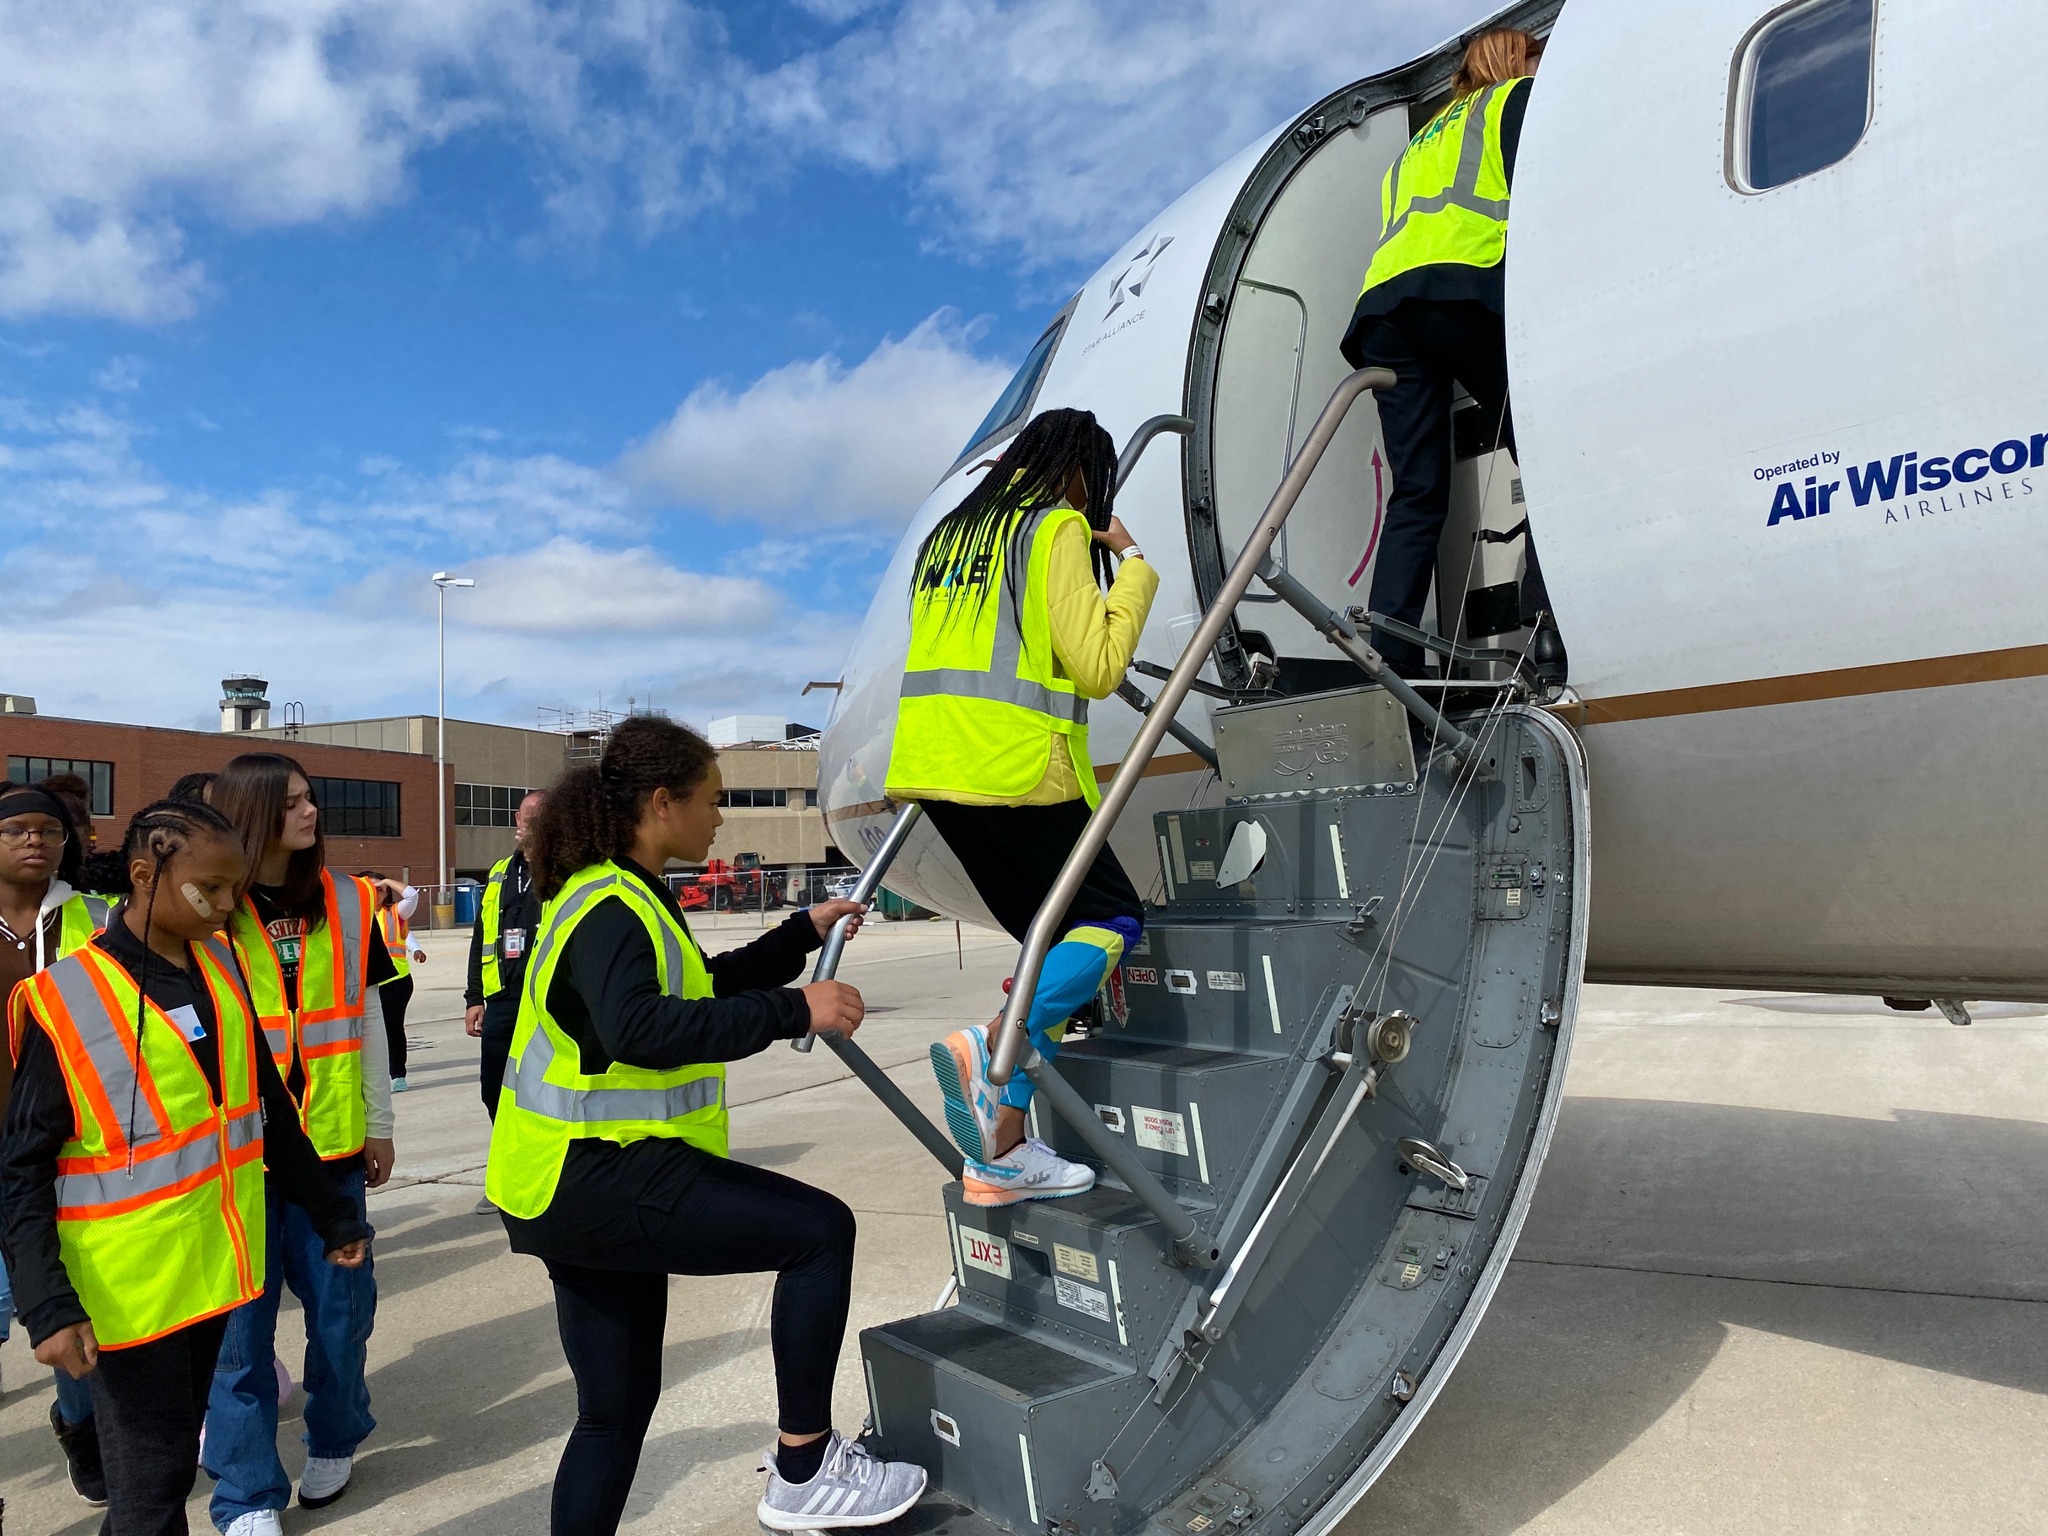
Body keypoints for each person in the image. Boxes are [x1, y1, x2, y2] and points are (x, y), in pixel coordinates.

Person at [483, 714, 925, 1534]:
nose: (720, 817)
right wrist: (797, 1010)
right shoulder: (612, 905)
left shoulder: (613, 889)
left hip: (556, 1183)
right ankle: (803, 1465)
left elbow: (699, 987)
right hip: (602, 1173)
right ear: (662, 804)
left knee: (612, 1413)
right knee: (819, 1233)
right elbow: (642, 1030)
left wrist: (800, 935)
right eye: (712, 801)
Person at [0, 799, 368, 1536]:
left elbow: (266, 1106)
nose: (230, 906)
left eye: (236, 888)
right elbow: (22, 1170)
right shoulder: (64, 999)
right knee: (152, 1489)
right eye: (213, 888)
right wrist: (47, 1305)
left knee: (163, 1476)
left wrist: (330, 1213)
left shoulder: (219, 966)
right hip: (128, 1296)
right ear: (145, 874)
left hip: (212, 1273)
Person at [883, 406, 1157, 1206]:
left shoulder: (948, 541)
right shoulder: (1055, 529)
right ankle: (992, 1046)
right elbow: (1099, 664)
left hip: (936, 775)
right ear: (1078, 473)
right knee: (1111, 919)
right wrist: (1131, 562)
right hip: (1013, 770)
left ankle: (1000, 1156)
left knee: (1049, 947)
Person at [202, 753, 398, 1534]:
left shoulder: (350, 900)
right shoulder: (209, 904)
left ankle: (336, 1434)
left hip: (334, 1152)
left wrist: (380, 1121)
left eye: (311, 798)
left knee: (343, 1320)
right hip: (236, 1161)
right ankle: (247, 1495)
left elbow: (369, 1018)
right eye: (291, 803)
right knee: (237, 1341)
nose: (311, 812)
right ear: (250, 813)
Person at [1339, 26, 1565, 684]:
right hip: (1459, 287)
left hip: (1384, 309)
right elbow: (1541, 201)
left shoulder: (1416, 145)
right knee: (1546, 456)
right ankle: (1548, 628)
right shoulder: (1514, 101)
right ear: (1514, 60)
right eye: (1536, 56)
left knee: (1417, 495)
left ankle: (1387, 668)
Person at [0, 782, 111, 1503]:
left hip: (67, 1155)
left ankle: (81, 1428)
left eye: (49, 830)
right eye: (17, 830)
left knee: (69, 1318)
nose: (36, 840)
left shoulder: (95, 920)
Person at [464, 789, 544, 1216]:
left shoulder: (566, 871)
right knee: (494, 1090)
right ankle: (507, 1172)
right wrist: (474, 996)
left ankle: (545, 1171)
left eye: (533, 815)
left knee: (543, 1092)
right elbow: (483, 938)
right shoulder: (499, 873)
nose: (522, 821)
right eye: (522, 814)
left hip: (547, 1001)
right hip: (502, 1001)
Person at [361, 871, 427, 1092]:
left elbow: (411, 896)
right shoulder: (356, 913)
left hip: (396, 980)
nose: (376, 892)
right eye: (371, 887)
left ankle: (397, 1074)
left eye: (380, 889)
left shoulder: (394, 911)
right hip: (368, 982)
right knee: (367, 1029)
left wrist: (387, 881)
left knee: (392, 1026)